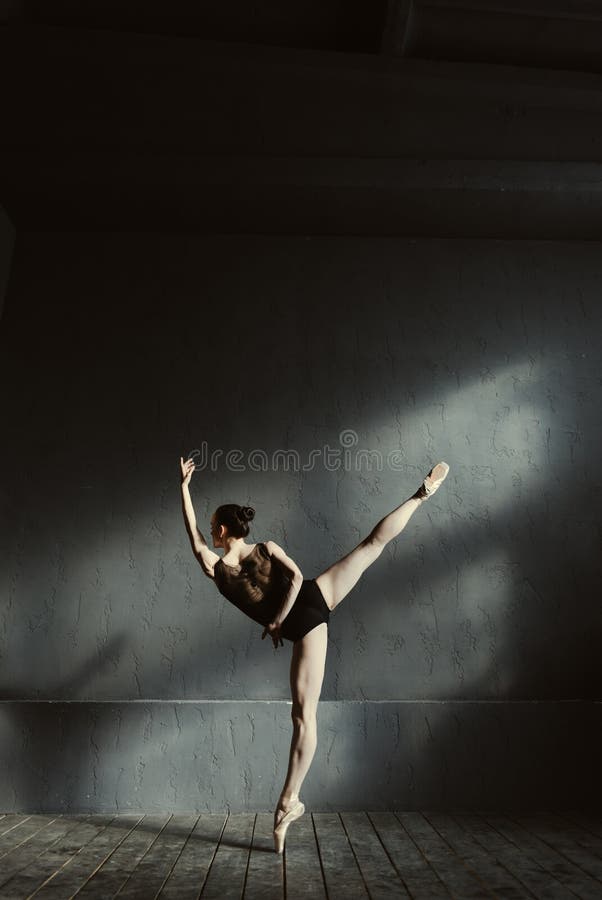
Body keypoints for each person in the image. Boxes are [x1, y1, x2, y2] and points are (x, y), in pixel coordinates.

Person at [179, 456, 450, 853]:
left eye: (211, 526)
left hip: (304, 622)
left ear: (221, 530)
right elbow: (293, 577)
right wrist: (184, 488)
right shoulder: (263, 548)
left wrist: (276, 623)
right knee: (371, 545)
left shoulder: (218, 570)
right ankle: (421, 495)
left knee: (304, 718)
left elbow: (287, 579)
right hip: (318, 592)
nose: (208, 532)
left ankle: (288, 801)